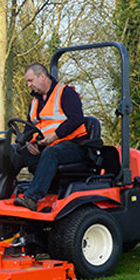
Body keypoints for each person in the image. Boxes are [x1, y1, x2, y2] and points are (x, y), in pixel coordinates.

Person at [13, 63, 88, 211]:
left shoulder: (66, 93)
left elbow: (76, 119)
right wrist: (29, 143)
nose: (28, 85)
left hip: (73, 146)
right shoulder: (35, 101)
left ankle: (32, 198)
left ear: (42, 76)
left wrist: (55, 136)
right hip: (47, 146)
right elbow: (30, 127)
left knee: (51, 153)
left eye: (30, 81)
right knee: (13, 151)